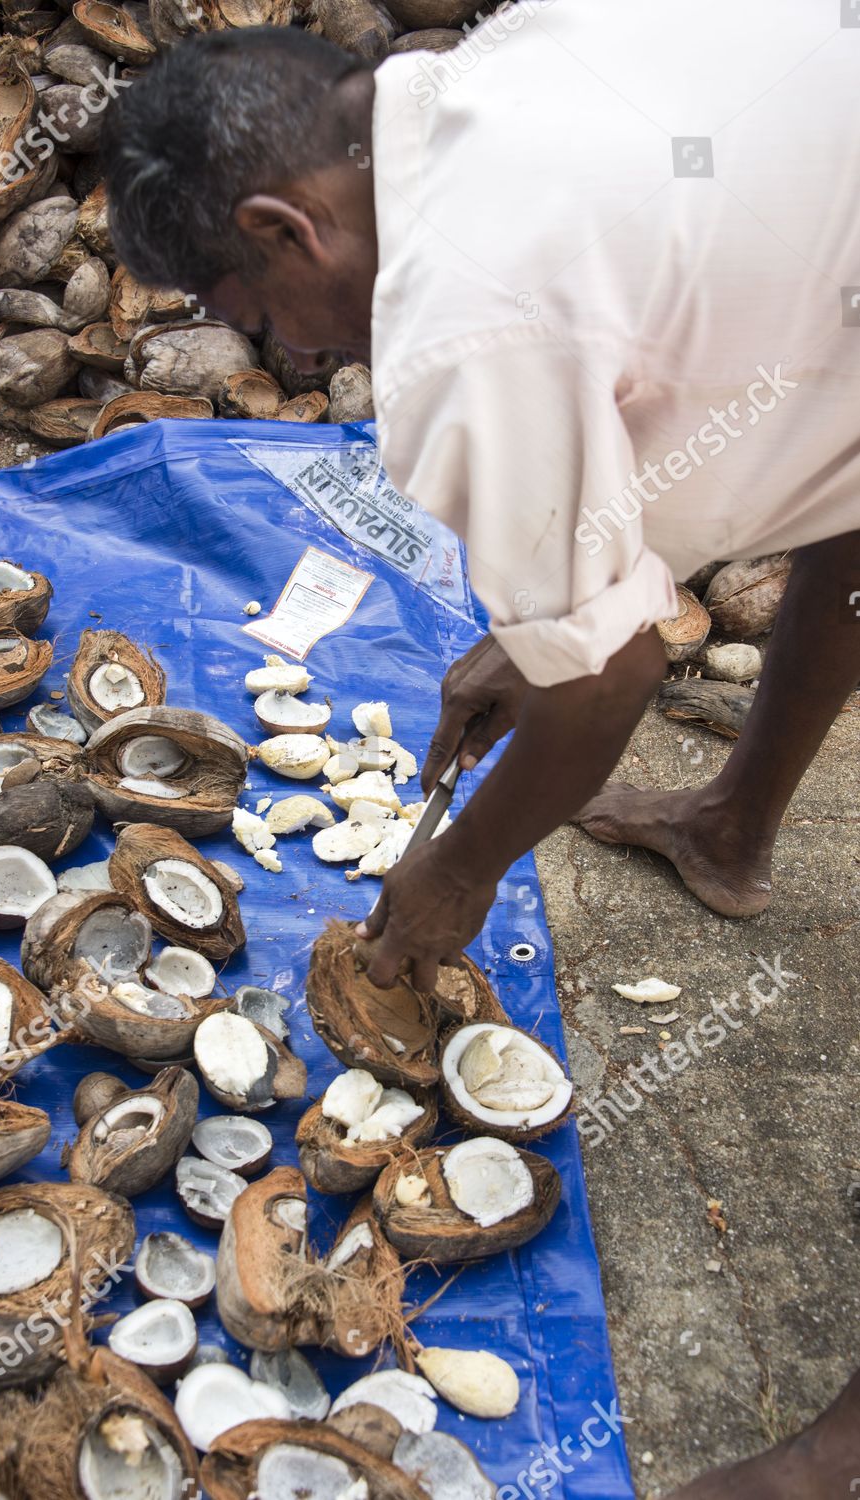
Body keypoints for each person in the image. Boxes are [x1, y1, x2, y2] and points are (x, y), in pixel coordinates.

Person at [102, 6, 859, 1493]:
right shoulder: (479, 74)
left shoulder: (463, 326)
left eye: (247, 307)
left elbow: (613, 677)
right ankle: (732, 827)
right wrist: (543, 625)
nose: (271, 345)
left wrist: (456, 871)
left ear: (283, 224)